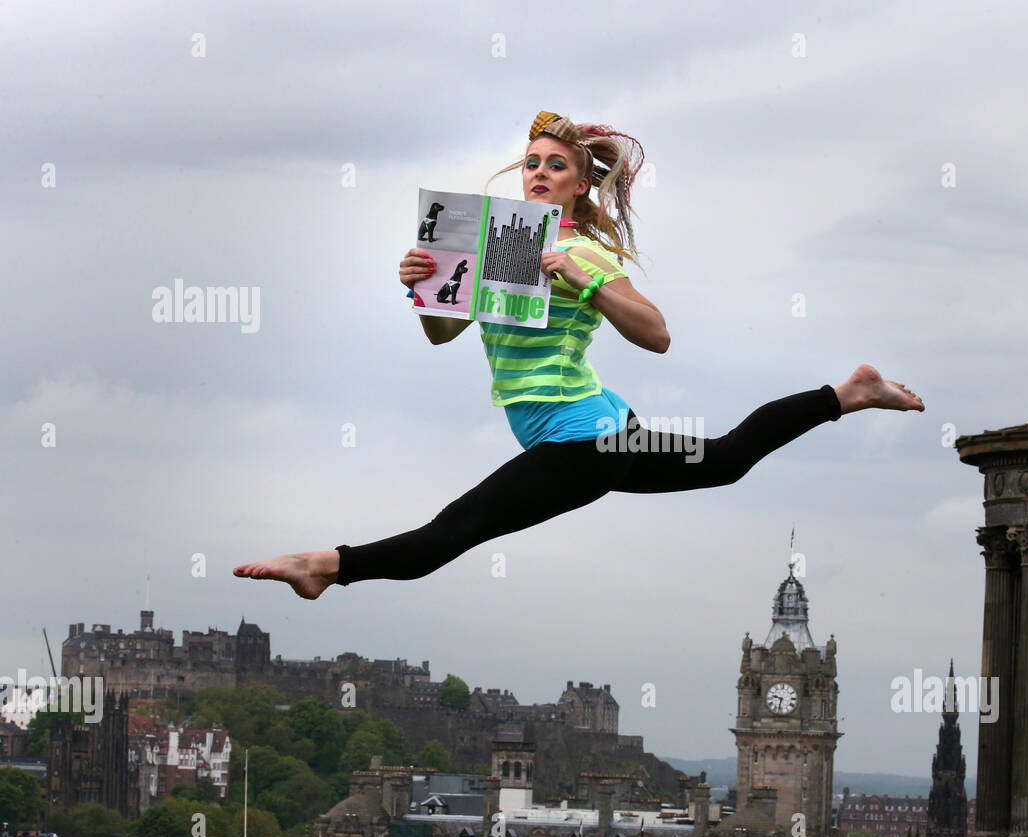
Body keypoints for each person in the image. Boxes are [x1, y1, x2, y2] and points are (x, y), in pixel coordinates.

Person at [234, 110, 924, 599]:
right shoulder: (496, 247)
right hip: (597, 436)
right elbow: (444, 337)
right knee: (729, 457)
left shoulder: (581, 250)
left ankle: (324, 564)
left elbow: (656, 333)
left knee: (453, 531)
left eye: (555, 165)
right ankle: (850, 392)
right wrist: (423, 293)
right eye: (531, 162)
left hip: (582, 438)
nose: (538, 172)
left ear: (579, 186)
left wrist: (584, 278)